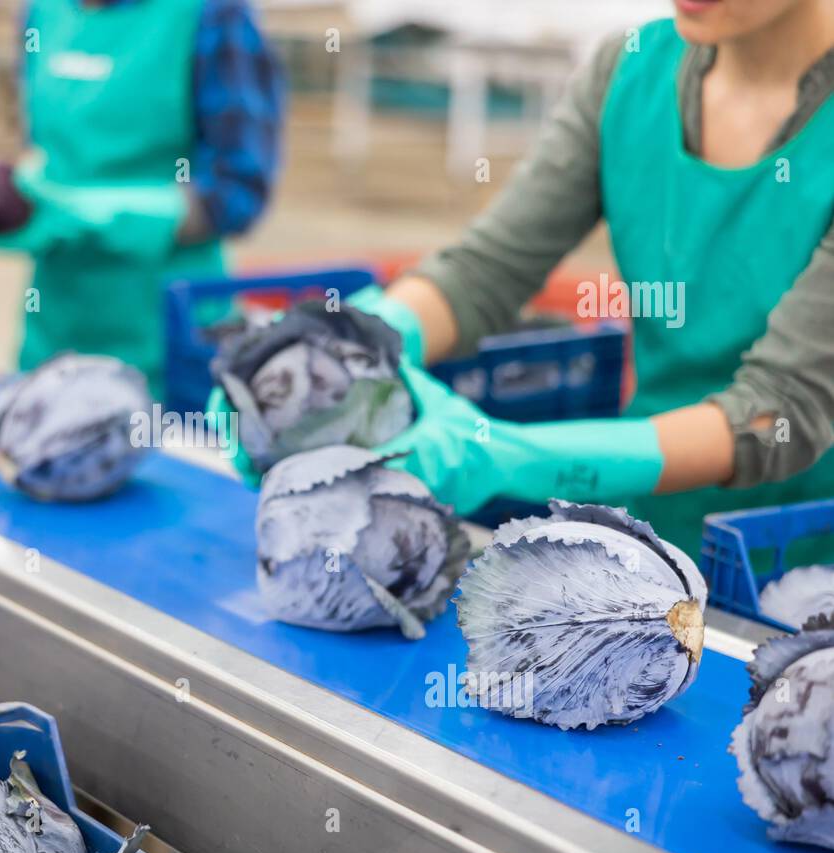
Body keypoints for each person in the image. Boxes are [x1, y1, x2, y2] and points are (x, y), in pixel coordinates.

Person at [226, 0, 834, 557]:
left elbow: (782, 409)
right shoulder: (630, 73)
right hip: (650, 531)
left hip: (803, 561)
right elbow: (488, 268)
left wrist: (512, 457)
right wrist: (338, 347)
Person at [0, 0, 285, 398]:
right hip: (54, 329)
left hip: (165, 338)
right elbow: (42, 148)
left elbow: (236, 193)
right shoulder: (42, 12)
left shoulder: (213, 15)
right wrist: (7, 196)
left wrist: (101, 217)